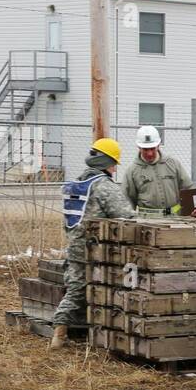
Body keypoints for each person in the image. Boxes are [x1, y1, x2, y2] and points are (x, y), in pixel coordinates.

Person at [50, 137, 135, 349]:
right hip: (96, 251)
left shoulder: (77, 184)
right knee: (97, 290)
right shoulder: (103, 186)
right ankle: (60, 335)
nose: (115, 169)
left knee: (76, 288)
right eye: (114, 164)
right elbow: (125, 216)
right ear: (107, 163)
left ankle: (61, 334)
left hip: (74, 247)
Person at [123, 125, 192, 216]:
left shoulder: (173, 164)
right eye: (145, 149)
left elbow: (188, 189)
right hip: (147, 222)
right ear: (139, 147)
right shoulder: (132, 171)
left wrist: (192, 210)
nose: (150, 153)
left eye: (152, 148)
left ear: (158, 146)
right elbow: (128, 200)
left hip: (175, 219)